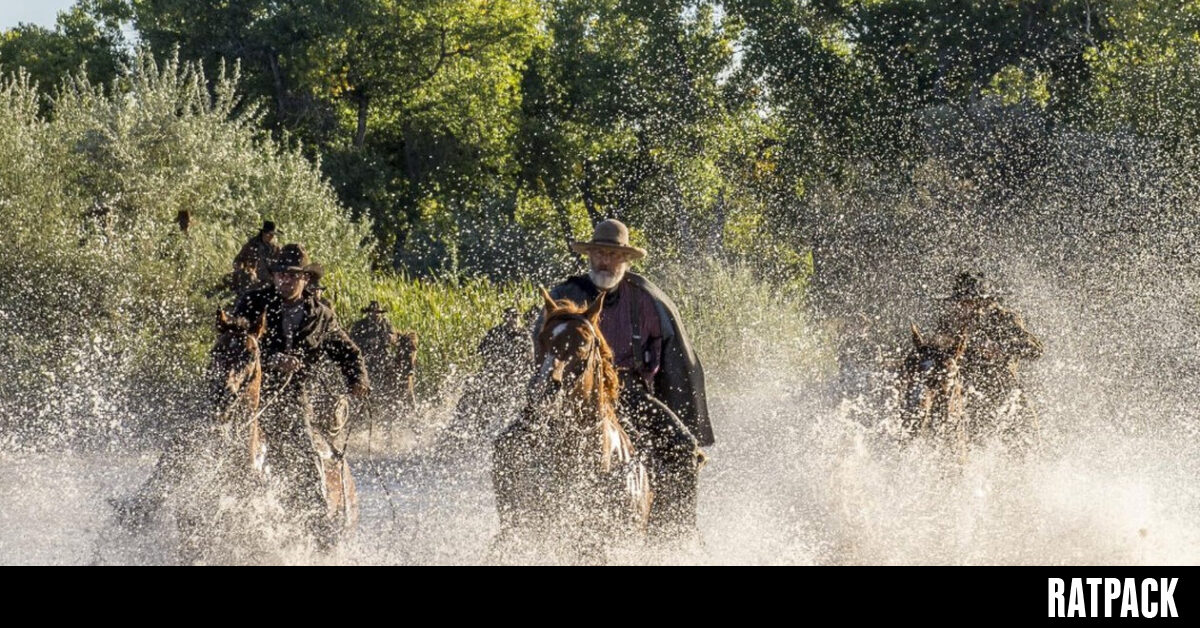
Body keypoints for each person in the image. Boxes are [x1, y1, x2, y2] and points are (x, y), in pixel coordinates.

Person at [533, 218, 712, 534]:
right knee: (517, 445)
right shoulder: (564, 293)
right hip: (572, 392)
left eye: (613, 255)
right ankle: (521, 527)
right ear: (590, 255)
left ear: (626, 260)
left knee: (683, 446)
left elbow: (676, 361)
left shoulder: (649, 300)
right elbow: (541, 340)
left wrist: (682, 411)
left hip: (630, 392)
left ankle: (678, 533)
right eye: (600, 253)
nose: (605, 260)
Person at [231, 243, 369, 546]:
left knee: (302, 451)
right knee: (191, 433)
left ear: (305, 278)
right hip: (244, 389)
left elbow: (348, 352)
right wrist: (270, 360)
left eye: (292, 276)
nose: (285, 280)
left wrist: (357, 379)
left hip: (290, 396)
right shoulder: (253, 302)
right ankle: (147, 501)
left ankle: (317, 528)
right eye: (280, 274)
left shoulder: (321, 316)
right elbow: (236, 343)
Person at [934, 271, 1044, 442]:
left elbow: (1035, 349)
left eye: (967, 302)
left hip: (1002, 389)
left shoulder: (1004, 319)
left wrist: (1002, 347)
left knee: (1027, 430)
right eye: (959, 302)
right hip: (964, 390)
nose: (961, 307)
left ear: (983, 302)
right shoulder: (950, 322)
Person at [350, 301, 399, 398]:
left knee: (393, 371)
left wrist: (387, 337)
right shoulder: (360, 325)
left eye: (377, 312)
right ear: (369, 312)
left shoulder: (386, 324)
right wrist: (367, 342)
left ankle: (393, 392)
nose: (375, 314)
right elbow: (352, 339)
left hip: (383, 355)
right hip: (366, 355)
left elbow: (394, 337)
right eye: (373, 312)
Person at [231, 221, 282, 294]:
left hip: (269, 282)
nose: (272, 237)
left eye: (273, 235)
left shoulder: (276, 249)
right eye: (269, 234)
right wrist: (244, 271)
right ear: (263, 233)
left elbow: (281, 266)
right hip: (251, 281)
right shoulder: (251, 246)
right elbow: (237, 261)